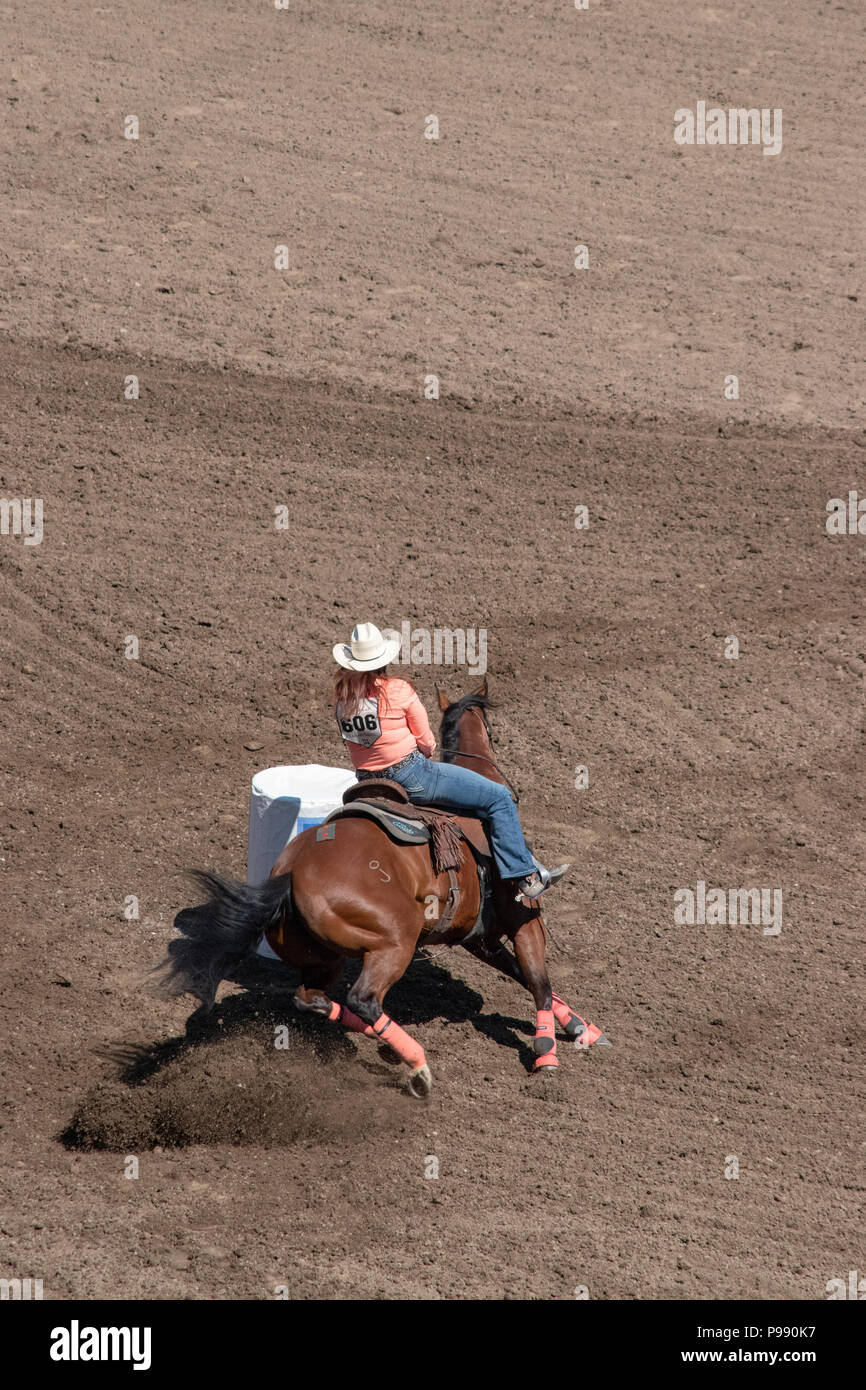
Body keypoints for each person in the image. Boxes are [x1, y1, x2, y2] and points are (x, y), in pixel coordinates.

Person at [331, 622, 567, 900]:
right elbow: (427, 741)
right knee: (498, 798)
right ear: (383, 659)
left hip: (366, 783)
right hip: (411, 775)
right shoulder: (399, 689)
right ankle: (523, 874)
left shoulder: (342, 700)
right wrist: (424, 756)